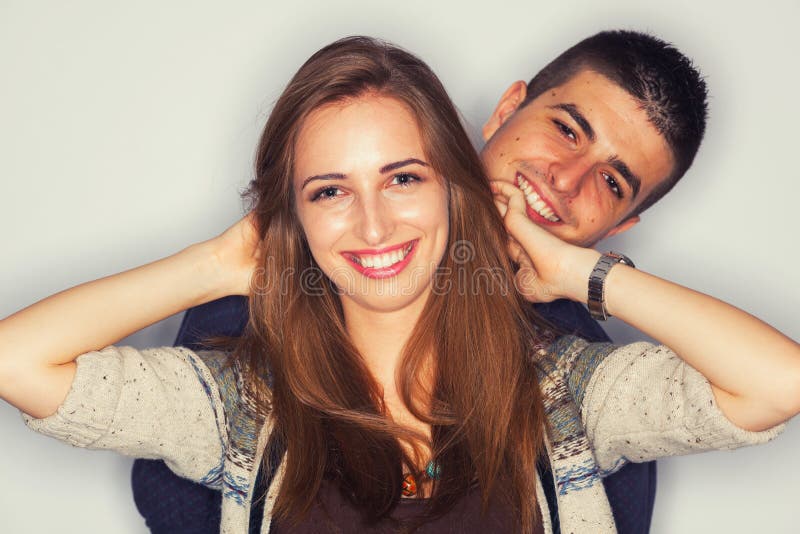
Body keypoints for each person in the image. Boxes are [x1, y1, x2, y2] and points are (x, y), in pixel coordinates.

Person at [1, 36, 797, 534]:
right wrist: (219, 261)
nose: (562, 179)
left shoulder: (573, 379)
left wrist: (577, 275)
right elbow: (164, 489)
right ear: (500, 112)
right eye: (565, 128)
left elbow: (773, 384)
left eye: (613, 183)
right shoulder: (247, 365)